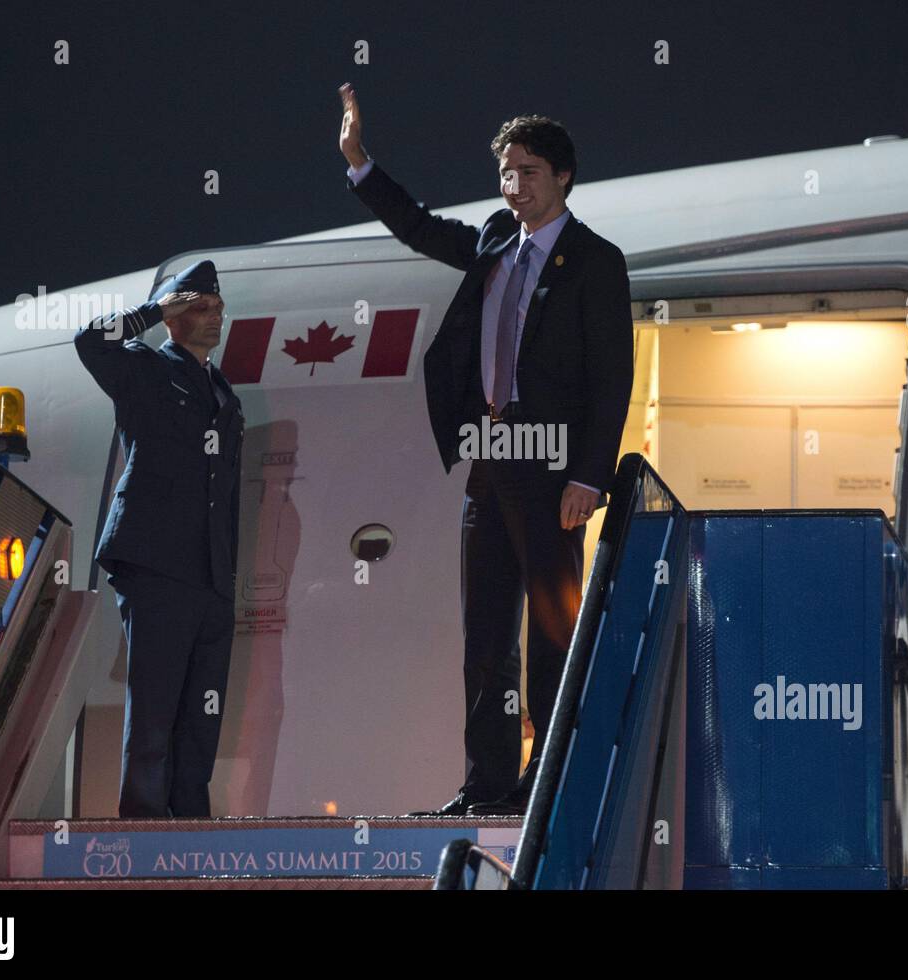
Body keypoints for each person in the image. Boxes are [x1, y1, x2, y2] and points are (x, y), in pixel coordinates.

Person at [338, 84, 633, 816]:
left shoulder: (596, 261)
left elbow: (613, 379)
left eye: (528, 170)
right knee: (486, 638)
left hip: (553, 465)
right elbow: (418, 228)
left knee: (552, 634)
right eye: (505, 171)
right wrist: (360, 164)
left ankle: (550, 784)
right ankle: (489, 784)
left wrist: (590, 477)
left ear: (563, 176)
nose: (513, 184)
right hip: (490, 460)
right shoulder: (495, 244)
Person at [73, 259, 245, 817]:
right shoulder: (146, 369)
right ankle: (144, 832)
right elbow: (88, 342)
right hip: (158, 567)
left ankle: (191, 828)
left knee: (201, 718)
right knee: (153, 712)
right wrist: (150, 313)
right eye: (200, 305)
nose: (214, 315)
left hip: (211, 575)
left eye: (217, 306)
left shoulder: (225, 395)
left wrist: (227, 581)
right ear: (173, 315)